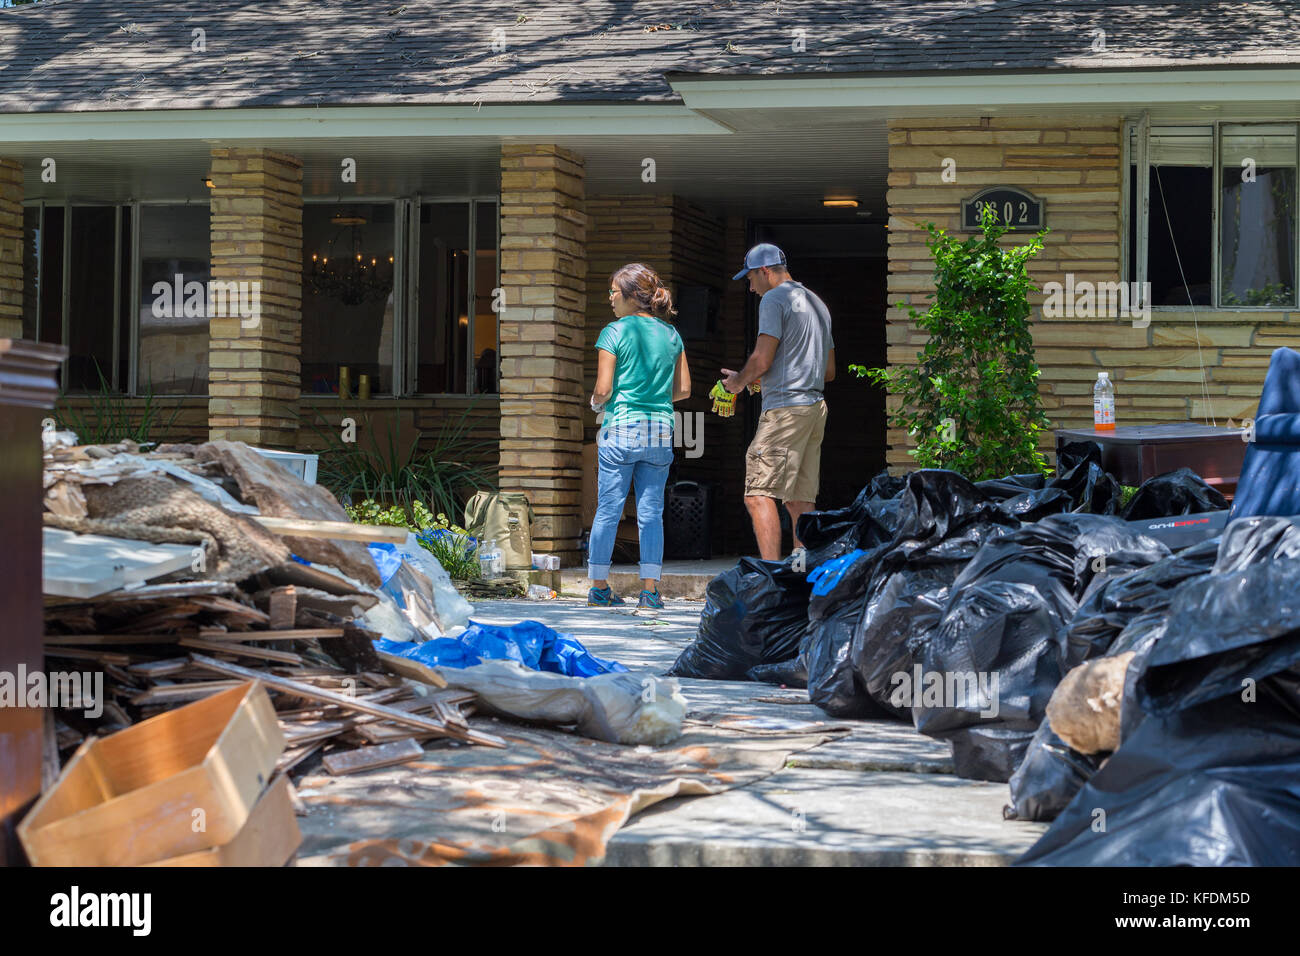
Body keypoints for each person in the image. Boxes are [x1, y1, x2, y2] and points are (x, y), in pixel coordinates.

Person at [721, 243, 835, 561]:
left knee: (758, 494)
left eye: (750, 278)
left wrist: (738, 383)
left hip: (785, 410)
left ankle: (772, 578)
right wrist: (767, 376)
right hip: (814, 408)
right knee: (799, 500)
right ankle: (800, 576)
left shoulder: (774, 298)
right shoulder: (817, 303)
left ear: (765, 272)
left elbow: (761, 358)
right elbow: (827, 371)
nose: (750, 286)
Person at [587, 263, 692, 608]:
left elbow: (603, 389)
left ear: (633, 297)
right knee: (651, 513)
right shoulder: (672, 335)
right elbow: (684, 390)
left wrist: (596, 401)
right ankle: (650, 591)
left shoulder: (613, 332)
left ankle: (600, 587)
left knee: (609, 509)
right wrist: (655, 395)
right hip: (660, 429)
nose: (610, 299)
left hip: (620, 428)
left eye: (614, 292)